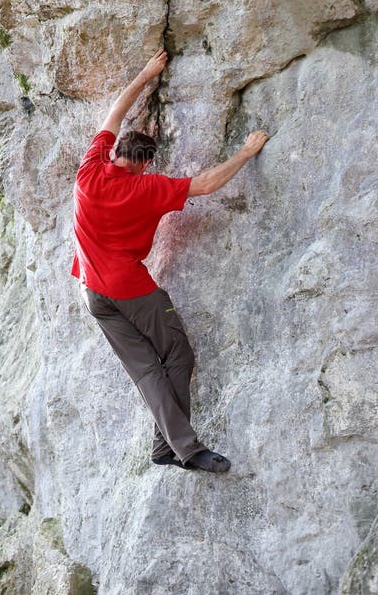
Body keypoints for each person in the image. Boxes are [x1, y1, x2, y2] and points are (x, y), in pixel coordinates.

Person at [71, 47, 269, 473]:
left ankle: (167, 448)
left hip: (92, 292)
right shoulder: (146, 188)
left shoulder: (88, 169)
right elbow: (206, 184)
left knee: (145, 371)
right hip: (131, 289)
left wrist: (145, 73)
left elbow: (116, 110)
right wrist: (246, 152)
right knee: (178, 354)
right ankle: (187, 448)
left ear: (114, 152)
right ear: (143, 164)